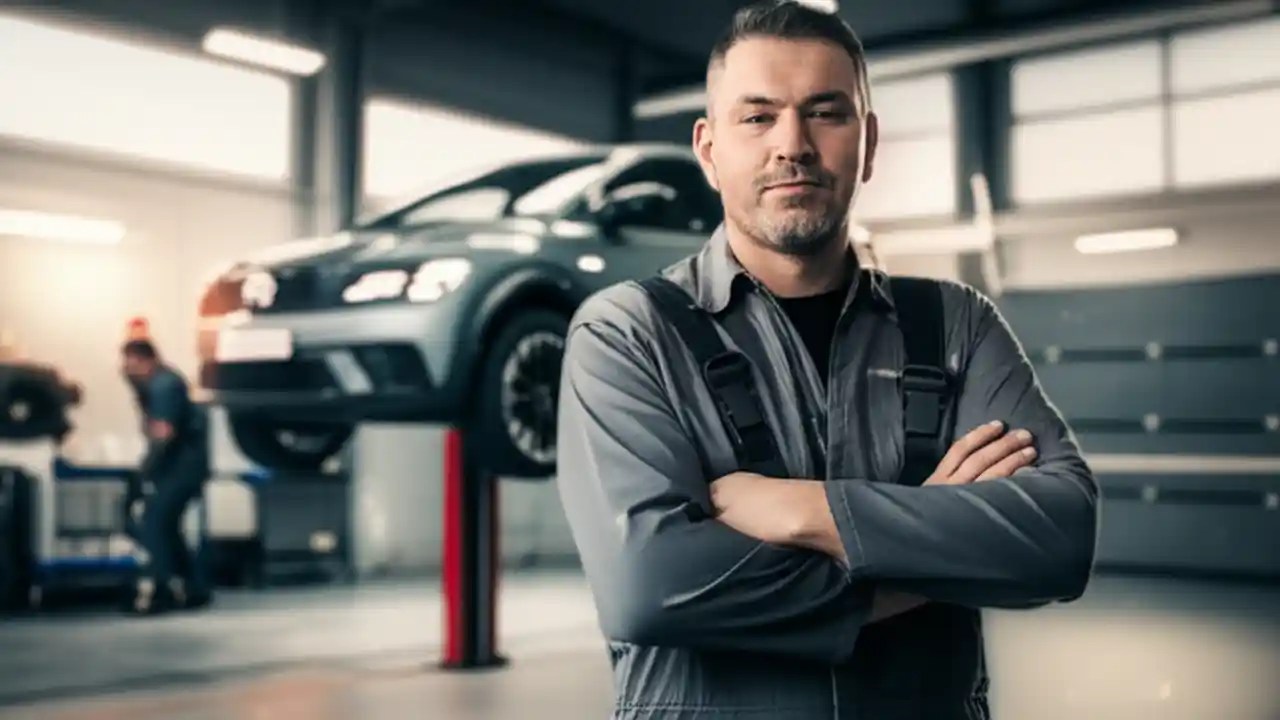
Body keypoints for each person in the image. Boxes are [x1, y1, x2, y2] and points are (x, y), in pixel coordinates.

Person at [555, 2, 1099, 718]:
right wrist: (931, 549)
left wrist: (802, 510)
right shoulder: (627, 335)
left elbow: (1058, 537)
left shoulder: (956, 324)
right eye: (758, 117)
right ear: (708, 148)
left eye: (825, 112)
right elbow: (649, 589)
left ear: (868, 143)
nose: (793, 144)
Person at [120, 339, 212, 614]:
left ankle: (161, 591)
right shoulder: (161, 384)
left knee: (154, 523)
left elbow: (163, 432)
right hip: (183, 467)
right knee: (167, 527)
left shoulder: (163, 386)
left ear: (146, 360)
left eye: (130, 363)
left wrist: (144, 470)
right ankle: (194, 588)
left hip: (180, 468)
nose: (126, 370)